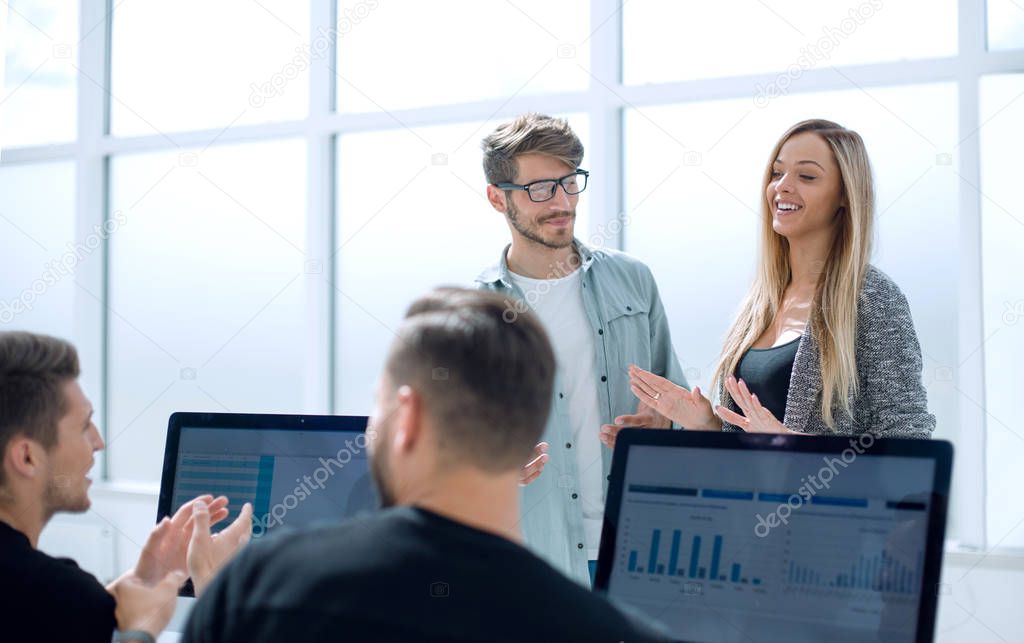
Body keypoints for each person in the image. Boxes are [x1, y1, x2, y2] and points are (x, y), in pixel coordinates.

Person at [183, 288, 669, 642]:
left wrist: (217, 596)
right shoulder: (609, 630)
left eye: (379, 406)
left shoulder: (259, 588)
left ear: (408, 417)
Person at [620, 119, 935, 439]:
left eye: (807, 176)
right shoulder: (761, 302)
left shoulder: (872, 298)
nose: (782, 186)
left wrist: (789, 445)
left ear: (845, 195)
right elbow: (751, 443)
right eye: (776, 172)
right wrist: (706, 424)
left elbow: (908, 436)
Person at [475, 113, 688, 585]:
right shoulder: (475, 313)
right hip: (535, 560)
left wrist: (666, 420)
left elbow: (678, 401)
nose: (561, 202)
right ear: (497, 197)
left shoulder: (634, 280)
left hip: (636, 549)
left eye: (570, 183)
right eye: (539, 189)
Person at [0, 331, 252, 643]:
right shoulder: (57, 596)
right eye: (83, 426)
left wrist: (142, 584)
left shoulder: (53, 603)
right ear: (27, 457)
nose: (98, 442)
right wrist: (213, 588)